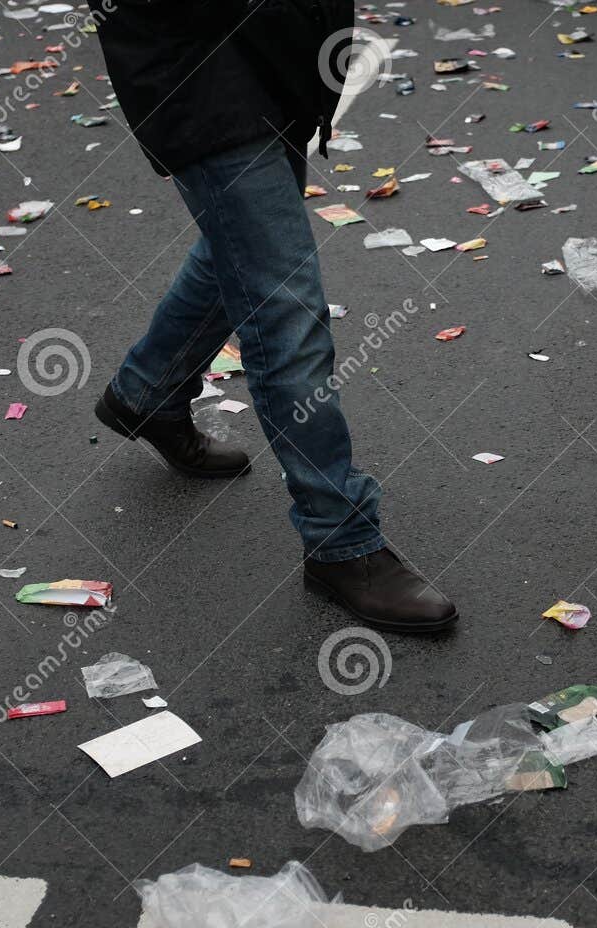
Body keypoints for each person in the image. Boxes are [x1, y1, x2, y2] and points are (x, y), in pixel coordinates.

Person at [85, 0, 457, 633]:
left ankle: (148, 392)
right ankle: (340, 539)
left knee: (237, 251)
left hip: (274, 60)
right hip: (200, 70)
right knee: (284, 307)